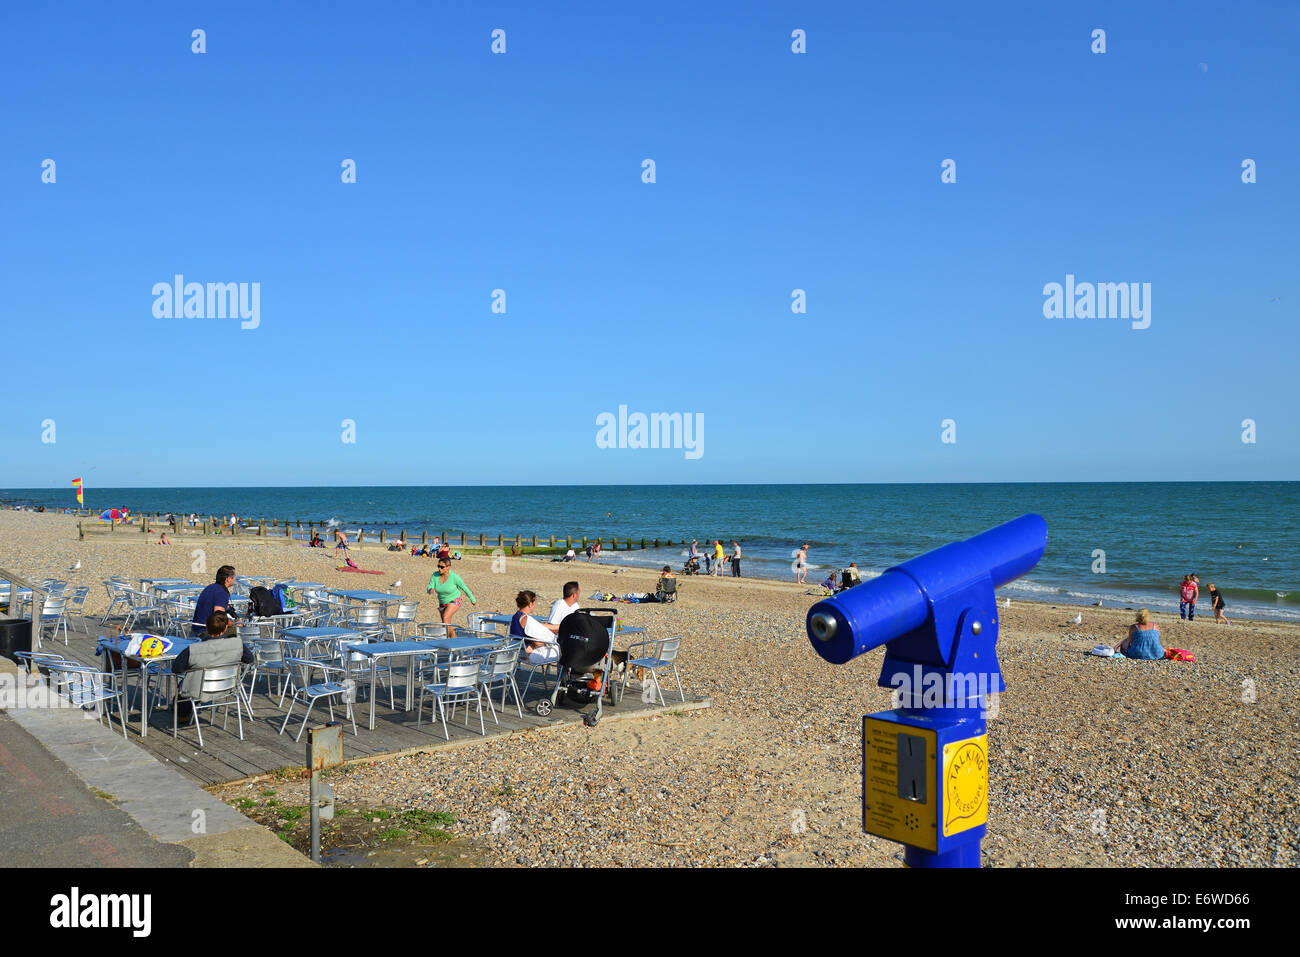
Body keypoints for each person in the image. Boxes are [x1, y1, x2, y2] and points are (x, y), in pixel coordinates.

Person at [171, 611, 254, 725]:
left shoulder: (194, 649)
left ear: (207, 627)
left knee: (187, 684)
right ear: (225, 628)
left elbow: (176, 668)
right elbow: (249, 659)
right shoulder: (237, 644)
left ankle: (182, 715)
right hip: (227, 686)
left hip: (199, 690)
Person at [427, 558, 476, 637]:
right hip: (442, 602)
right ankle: (450, 640)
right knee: (445, 624)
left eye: (442, 567)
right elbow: (430, 585)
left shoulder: (454, 577)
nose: (439, 568)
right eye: (438, 566)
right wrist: (430, 589)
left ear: (448, 567)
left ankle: (452, 641)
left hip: (455, 599)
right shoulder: (435, 575)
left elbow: (464, 587)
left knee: (446, 618)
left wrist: (472, 599)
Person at [510, 590, 561, 666]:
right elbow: (538, 642)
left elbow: (536, 628)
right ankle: (562, 677)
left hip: (517, 653)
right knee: (562, 651)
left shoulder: (515, 617)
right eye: (534, 604)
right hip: (528, 655)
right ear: (530, 604)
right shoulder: (525, 619)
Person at [192, 566, 237, 636]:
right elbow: (219, 618)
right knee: (239, 631)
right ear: (228, 579)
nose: (235, 579)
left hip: (197, 627)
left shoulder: (211, 587)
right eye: (234, 577)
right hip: (205, 631)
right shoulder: (221, 593)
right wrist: (235, 623)